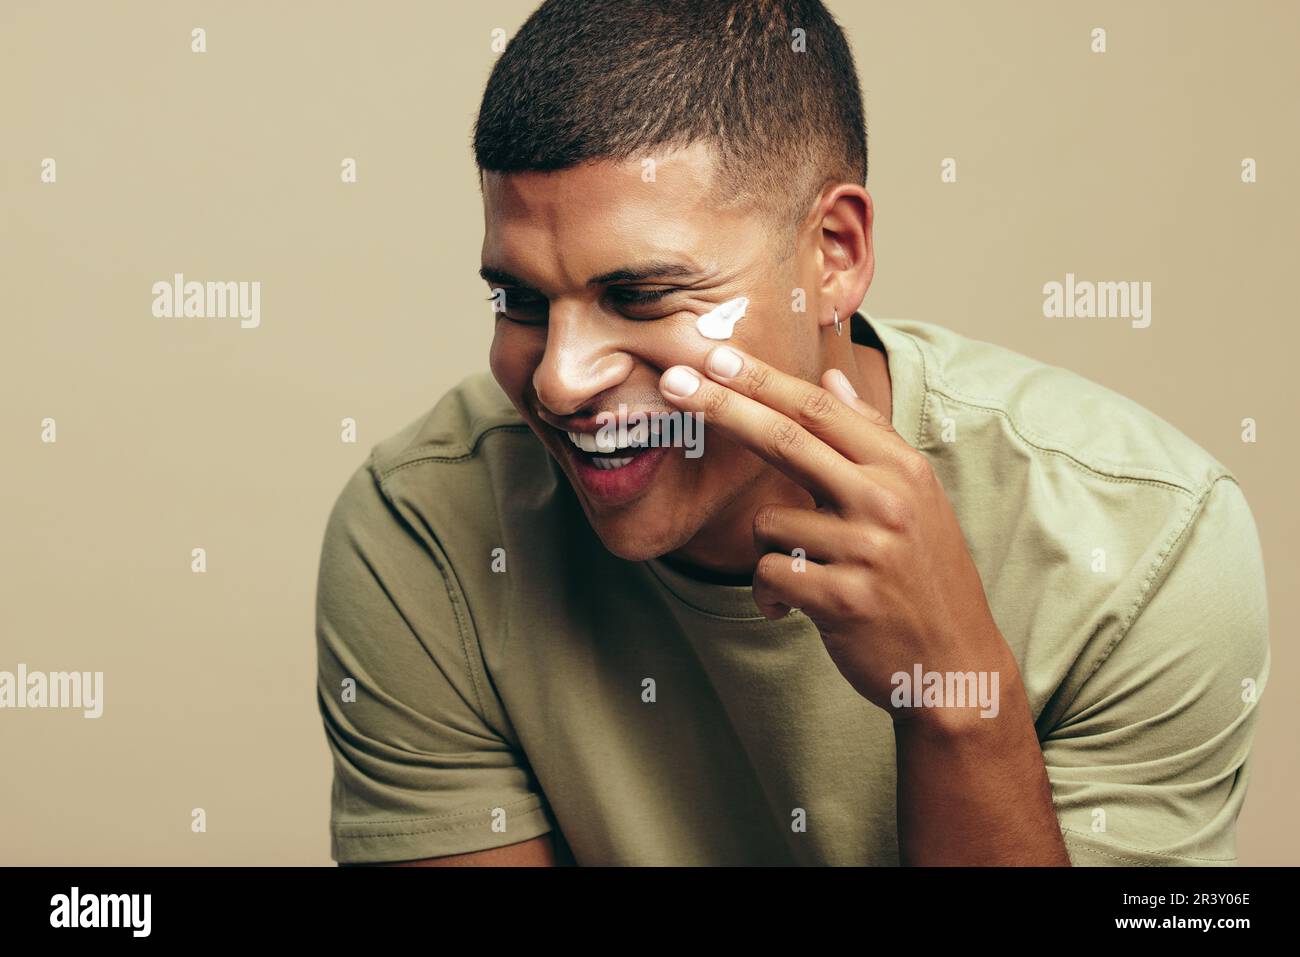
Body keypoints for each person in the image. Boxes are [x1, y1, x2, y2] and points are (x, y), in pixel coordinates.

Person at [314, 0, 1269, 866]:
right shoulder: (426, 531)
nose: (561, 380)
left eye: (640, 294)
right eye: (520, 299)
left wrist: (959, 707)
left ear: (835, 254)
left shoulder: (1145, 545)